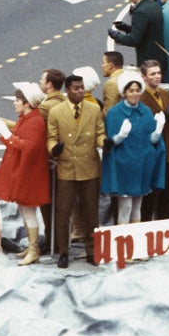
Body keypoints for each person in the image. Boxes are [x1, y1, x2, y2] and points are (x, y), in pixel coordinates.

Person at [0, 82, 52, 266]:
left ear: (27, 103)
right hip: (26, 170)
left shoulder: (35, 121)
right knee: (25, 210)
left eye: (17, 101)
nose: (14, 103)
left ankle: (34, 250)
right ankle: (32, 248)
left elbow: (27, 146)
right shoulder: (29, 118)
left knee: (29, 212)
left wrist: (4, 134)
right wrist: (1, 129)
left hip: (30, 173)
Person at [46, 74, 105, 267]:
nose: (81, 91)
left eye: (82, 87)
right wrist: (54, 149)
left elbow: (99, 132)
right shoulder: (56, 112)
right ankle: (63, 251)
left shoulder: (94, 109)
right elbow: (51, 137)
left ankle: (92, 250)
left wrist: (105, 143)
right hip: (67, 168)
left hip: (89, 167)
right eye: (76, 88)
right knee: (63, 212)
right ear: (67, 90)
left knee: (91, 213)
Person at [100, 70, 167, 224]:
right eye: (131, 91)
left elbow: (151, 139)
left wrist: (158, 131)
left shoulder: (146, 111)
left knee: (138, 206)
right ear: (124, 92)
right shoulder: (114, 113)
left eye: (138, 90)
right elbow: (111, 143)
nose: (135, 94)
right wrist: (121, 136)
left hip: (143, 165)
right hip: (124, 165)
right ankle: (123, 241)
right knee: (126, 206)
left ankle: (134, 240)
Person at [139, 60, 169, 221]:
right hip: (153, 154)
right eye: (152, 74)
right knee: (151, 198)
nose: (157, 76)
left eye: (158, 73)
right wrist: (161, 121)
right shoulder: (141, 98)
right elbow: (143, 127)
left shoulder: (164, 94)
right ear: (144, 77)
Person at [109, 0, 168, 76]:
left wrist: (116, 35)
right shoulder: (154, 5)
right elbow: (148, 31)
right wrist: (127, 28)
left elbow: (135, 40)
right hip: (159, 58)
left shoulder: (140, 12)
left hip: (148, 62)